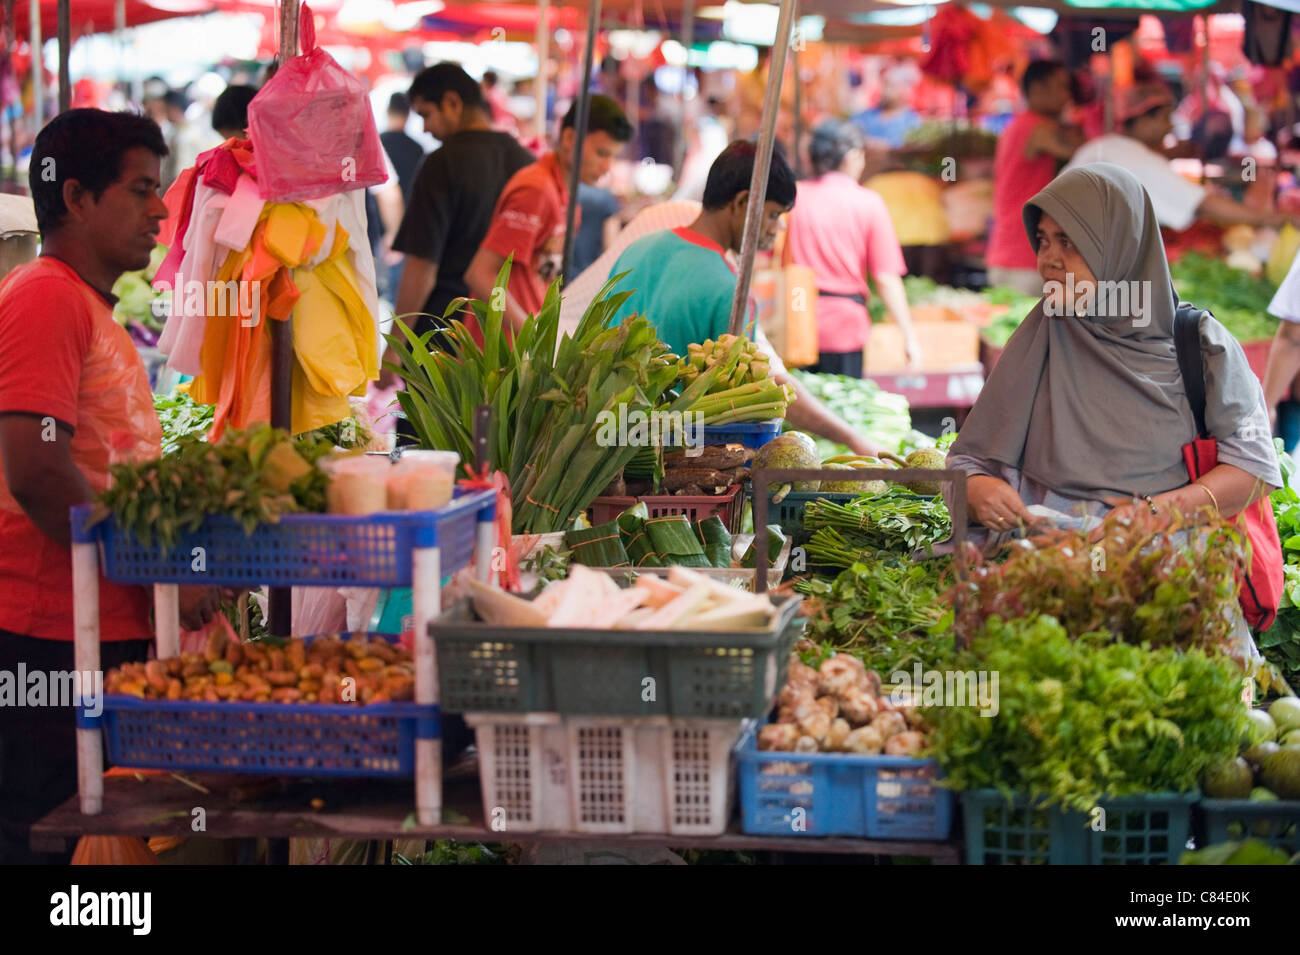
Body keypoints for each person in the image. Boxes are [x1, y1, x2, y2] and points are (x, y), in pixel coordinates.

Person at [0, 109, 221, 863]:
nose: (161, 209)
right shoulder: (46, 297)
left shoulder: (86, 303)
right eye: (140, 190)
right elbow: (35, 467)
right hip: (48, 642)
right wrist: (151, 562)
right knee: (45, 839)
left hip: (93, 633)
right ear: (77, 200)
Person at [946, 163, 1279, 553]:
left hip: (1163, 577)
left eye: (1069, 241)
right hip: (1039, 565)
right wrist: (978, 489)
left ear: (1121, 247)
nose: (1049, 259)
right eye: (1044, 240)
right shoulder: (1041, 334)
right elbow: (966, 461)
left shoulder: (1202, 345)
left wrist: (1154, 514)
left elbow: (1255, 469)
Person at [605, 141, 886, 456]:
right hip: (672, 459)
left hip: (609, 443)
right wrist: (853, 439)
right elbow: (766, 388)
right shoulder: (731, 291)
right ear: (741, 204)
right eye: (773, 214)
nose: (778, 227)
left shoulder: (638, 248)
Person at [379, 63, 535, 387]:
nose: (424, 129)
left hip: (442, 336)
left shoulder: (441, 163)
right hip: (504, 336)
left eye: (425, 115)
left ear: (452, 102)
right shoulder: (526, 163)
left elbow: (421, 267)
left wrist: (395, 348)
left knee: (426, 438)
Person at [464, 94, 633, 334]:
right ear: (569, 138)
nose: (607, 167)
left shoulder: (564, 192)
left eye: (613, 156)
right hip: (500, 353)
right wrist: (524, 330)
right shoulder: (537, 189)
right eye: (601, 153)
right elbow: (481, 275)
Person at [785, 120, 920, 377]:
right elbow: (886, 279)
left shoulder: (793, 199)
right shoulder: (868, 203)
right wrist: (909, 337)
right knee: (840, 409)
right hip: (843, 329)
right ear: (851, 156)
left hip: (794, 323)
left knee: (796, 413)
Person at [1064, 82, 1294, 232]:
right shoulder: (1130, 155)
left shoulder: (1110, 146)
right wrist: (1268, 219)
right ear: (1141, 120)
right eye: (1163, 118)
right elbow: (1201, 204)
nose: (1170, 125)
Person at [986, 60, 1084, 296]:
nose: (1067, 95)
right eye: (1061, 87)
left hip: (1006, 253)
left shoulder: (1017, 126)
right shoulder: (1039, 129)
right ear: (1038, 89)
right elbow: (1085, 154)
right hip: (1025, 258)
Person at [379, 92, 425, 202]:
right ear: (408, 114)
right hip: (410, 210)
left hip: (377, 213)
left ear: (388, 111)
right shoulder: (417, 148)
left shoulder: (377, 145)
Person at [851, 80, 921, 150]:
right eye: (885, 87)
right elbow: (849, 131)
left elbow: (913, 145)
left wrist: (889, 146)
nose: (886, 92)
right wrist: (865, 141)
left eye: (892, 88)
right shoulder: (866, 116)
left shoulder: (911, 120)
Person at [572, 183, 621, 276]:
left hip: (560, 275)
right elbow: (610, 244)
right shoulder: (604, 197)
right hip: (591, 273)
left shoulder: (564, 192)